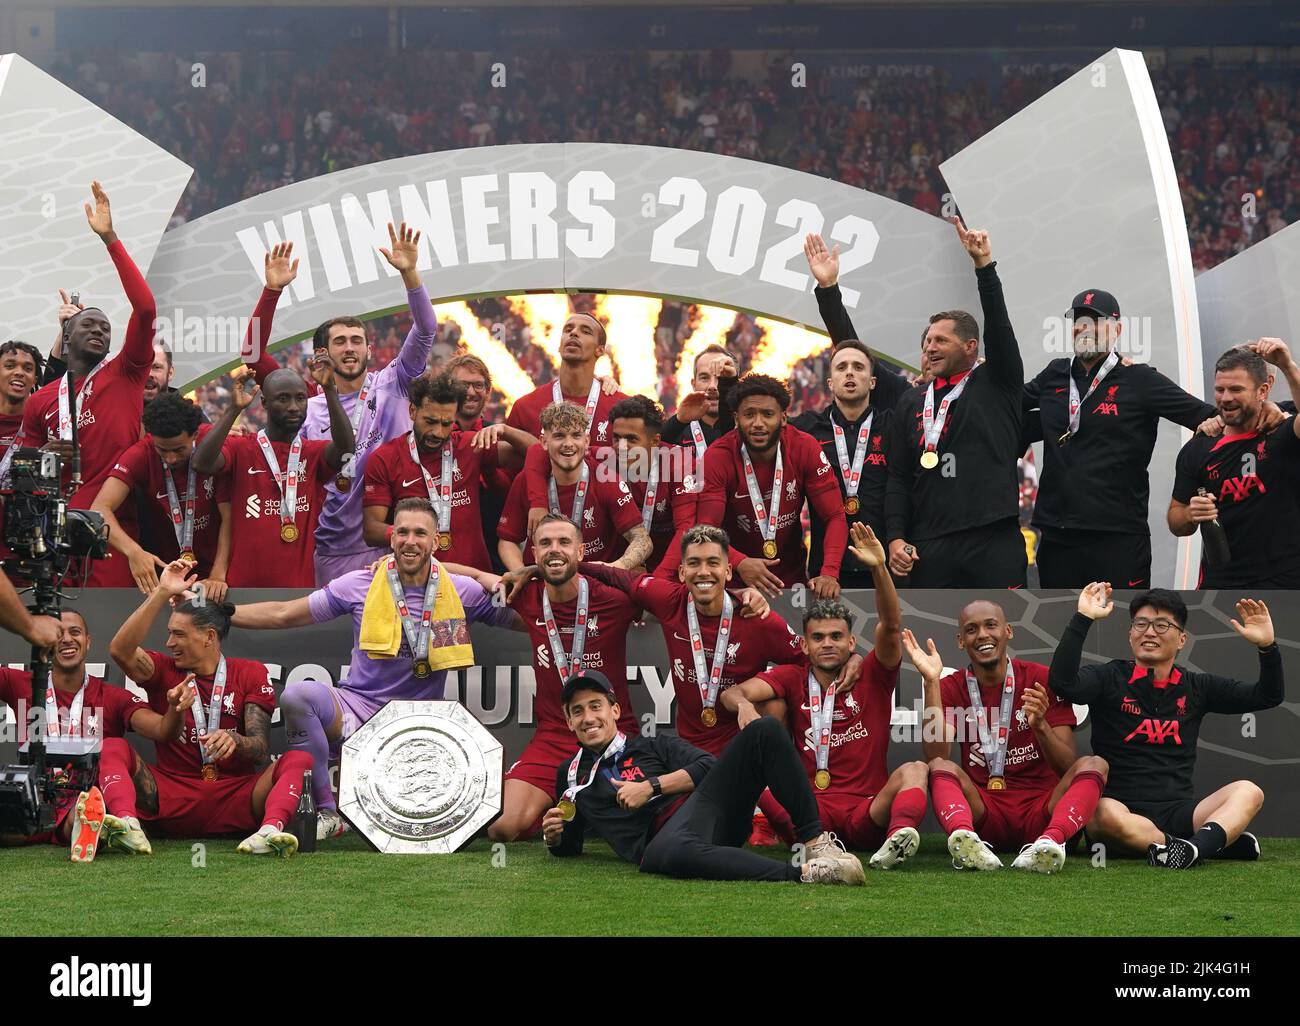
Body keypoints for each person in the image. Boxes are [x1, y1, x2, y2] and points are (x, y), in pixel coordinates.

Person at [228, 498, 523, 839]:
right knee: (298, 696)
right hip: (360, 708)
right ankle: (328, 812)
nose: (410, 540)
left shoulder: (462, 591)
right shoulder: (359, 584)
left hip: (420, 719)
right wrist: (223, 612)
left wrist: (560, 604)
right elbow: (284, 613)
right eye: (402, 532)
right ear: (392, 537)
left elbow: (522, 618)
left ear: (435, 541)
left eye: (420, 533)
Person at [720, 529, 929, 870]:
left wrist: (879, 569)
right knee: (757, 772)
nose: (827, 643)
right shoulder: (790, 677)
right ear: (804, 646)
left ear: (851, 644)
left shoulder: (875, 674)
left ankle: (897, 838)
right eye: (817, 637)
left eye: (836, 636)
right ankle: (773, 827)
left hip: (866, 810)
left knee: (916, 769)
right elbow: (733, 692)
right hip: (807, 817)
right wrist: (744, 706)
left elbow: (891, 627)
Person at [543, 669, 865, 885]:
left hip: (712, 812)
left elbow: (709, 766)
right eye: (577, 711)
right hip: (667, 844)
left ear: (614, 711)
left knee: (764, 729)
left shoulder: (653, 743)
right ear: (569, 721)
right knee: (660, 853)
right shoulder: (570, 775)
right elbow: (571, 845)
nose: (588, 718)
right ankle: (809, 873)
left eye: (595, 706)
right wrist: (555, 837)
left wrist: (652, 787)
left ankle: (815, 845)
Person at [1050, 583, 1282, 868]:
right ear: (1130, 634)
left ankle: (1190, 847)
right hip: (1121, 812)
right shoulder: (1109, 676)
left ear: (1182, 639)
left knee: (1249, 791)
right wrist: (1083, 618)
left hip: (1180, 813)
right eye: (1141, 624)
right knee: (1100, 814)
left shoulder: (1198, 686)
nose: (1149, 632)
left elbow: (1267, 695)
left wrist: (1266, 647)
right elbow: (1063, 683)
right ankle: (1206, 846)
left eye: (1162, 625)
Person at [105, 560, 313, 856]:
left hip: (236, 795)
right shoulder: (163, 670)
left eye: (179, 634)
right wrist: (162, 592)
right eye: (169, 633)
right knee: (113, 747)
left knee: (299, 758)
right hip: (171, 794)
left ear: (209, 637)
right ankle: (128, 826)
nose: (169, 642)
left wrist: (235, 741)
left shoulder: (249, 672)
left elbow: (260, 748)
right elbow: (120, 650)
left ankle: (270, 831)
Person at [1023, 289, 1215, 588]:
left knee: (1120, 629)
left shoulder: (1139, 379)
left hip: (1117, 535)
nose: (1084, 327)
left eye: (1095, 320)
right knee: (1056, 625)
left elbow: (1206, 418)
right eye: (1078, 320)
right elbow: (1007, 404)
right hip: (1058, 534)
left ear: (1117, 329)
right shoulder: (1054, 374)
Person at [17, 183, 157, 587]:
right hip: (53, 536)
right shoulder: (41, 399)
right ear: (68, 333)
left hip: (115, 534)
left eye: (105, 328)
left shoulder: (127, 374)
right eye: (88, 324)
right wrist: (43, 455)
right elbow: (19, 472)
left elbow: (146, 309)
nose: (99, 330)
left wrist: (110, 238)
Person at [902, 601, 1109, 874]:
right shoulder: (950, 687)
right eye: (972, 629)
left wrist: (1041, 726)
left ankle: (1051, 842)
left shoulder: (1040, 679)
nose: (983, 635)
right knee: (940, 767)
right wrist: (931, 682)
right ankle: (965, 840)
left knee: (1095, 765)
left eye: (991, 625)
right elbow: (936, 754)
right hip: (985, 813)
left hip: (1042, 810)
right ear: (961, 641)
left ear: (1008, 631)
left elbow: (1067, 767)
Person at [885, 219, 1026, 588]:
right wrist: (896, 537)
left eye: (941, 341)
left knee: (1006, 632)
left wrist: (984, 267)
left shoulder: (997, 383)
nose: (930, 347)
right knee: (936, 637)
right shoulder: (911, 400)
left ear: (970, 347)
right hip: (929, 543)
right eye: (927, 341)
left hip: (993, 538)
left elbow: (999, 325)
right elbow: (898, 478)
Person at [490, 513, 643, 842]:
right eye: (544, 543)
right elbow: (475, 581)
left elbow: (676, 597)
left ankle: (579, 813)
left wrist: (747, 594)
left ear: (581, 552)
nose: (553, 549)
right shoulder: (525, 596)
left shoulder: (615, 599)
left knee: (640, 820)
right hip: (553, 741)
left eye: (564, 543)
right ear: (533, 553)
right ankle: (561, 814)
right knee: (502, 828)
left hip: (611, 739)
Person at [0, 609, 192, 860]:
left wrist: (176, 709)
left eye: (75, 632)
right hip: (34, 799)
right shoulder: (20, 682)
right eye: (58, 633)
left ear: (88, 642)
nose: (67, 639)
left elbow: (163, 730)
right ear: (46, 642)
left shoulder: (113, 697)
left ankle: (97, 826)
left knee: (86, 803)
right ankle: (87, 829)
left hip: (84, 796)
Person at [191, 357, 354, 590]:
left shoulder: (313, 454)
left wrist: (329, 390)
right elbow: (201, 463)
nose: (293, 407)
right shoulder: (241, 448)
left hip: (297, 593)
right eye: (283, 399)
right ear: (264, 404)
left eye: (300, 398)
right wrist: (233, 410)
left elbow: (347, 451)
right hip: (241, 590)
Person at [362, 373, 535, 573]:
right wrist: (413, 532)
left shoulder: (469, 445)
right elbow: (371, 530)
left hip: (475, 579)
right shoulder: (386, 458)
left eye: (446, 424)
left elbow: (536, 454)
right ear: (412, 411)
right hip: (418, 578)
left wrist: (506, 431)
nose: (437, 432)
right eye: (430, 421)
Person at [695, 373, 847, 598]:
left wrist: (830, 573)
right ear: (736, 419)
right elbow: (706, 529)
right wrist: (739, 562)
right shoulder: (717, 456)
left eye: (767, 414)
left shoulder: (805, 447)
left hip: (791, 581)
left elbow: (835, 516)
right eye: (749, 415)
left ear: (783, 418)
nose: (758, 424)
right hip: (734, 580)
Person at [1169, 342, 1300, 588]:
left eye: (1236, 389)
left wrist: (1287, 366)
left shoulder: (1283, 432)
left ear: (1263, 390)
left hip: (1286, 582)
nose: (1226, 398)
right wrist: (1189, 514)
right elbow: (1176, 520)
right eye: (1220, 389)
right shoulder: (1198, 447)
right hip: (1220, 585)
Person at [94, 392, 230, 598]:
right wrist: (134, 551)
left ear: (195, 434)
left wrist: (219, 574)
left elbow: (230, 516)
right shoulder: (141, 453)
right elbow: (99, 508)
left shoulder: (212, 443)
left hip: (218, 571)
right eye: (162, 450)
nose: (171, 458)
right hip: (168, 572)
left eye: (178, 450)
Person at [497, 401, 651, 571]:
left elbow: (642, 540)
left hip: (597, 584)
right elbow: (508, 541)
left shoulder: (606, 480)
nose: (568, 443)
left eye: (576, 435)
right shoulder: (526, 481)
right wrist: (520, 573)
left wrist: (612, 568)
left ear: (586, 441)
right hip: (542, 582)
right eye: (559, 436)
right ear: (544, 442)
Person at [792, 339, 894, 590]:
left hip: (886, 563)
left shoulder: (893, 425)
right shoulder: (806, 427)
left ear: (872, 382)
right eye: (841, 367)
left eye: (859, 367)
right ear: (830, 383)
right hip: (826, 569)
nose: (850, 372)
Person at [505, 312, 628, 444]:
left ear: (600, 350)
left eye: (586, 332)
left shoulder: (623, 409)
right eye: (568, 330)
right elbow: (507, 462)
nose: (574, 333)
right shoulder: (524, 407)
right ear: (559, 347)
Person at [659, 345, 739, 462]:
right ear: (693, 384)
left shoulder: (748, 431)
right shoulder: (676, 430)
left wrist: (729, 385)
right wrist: (678, 421)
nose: (712, 386)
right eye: (704, 378)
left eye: (721, 378)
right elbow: (650, 454)